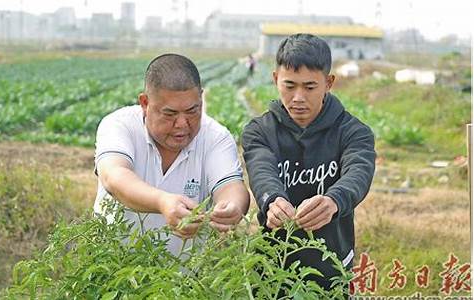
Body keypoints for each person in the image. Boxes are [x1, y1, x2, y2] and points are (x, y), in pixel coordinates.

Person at [241, 34, 376, 292]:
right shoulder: (260, 131)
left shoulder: (353, 132)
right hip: (272, 270)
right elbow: (261, 170)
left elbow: (358, 172)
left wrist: (333, 200)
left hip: (332, 269)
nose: (298, 97)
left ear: (329, 83)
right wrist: (272, 199)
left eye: (310, 87)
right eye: (289, 86)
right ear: (275, 80)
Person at [94, 53, 250, 254]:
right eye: (170, 114)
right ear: (145, 103)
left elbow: (230, 186)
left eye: (192, 111)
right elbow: (114, 177)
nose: (182, 124)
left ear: (201, 98)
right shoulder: (119, 125)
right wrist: (162, 202)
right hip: (115, 269)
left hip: (182, 281)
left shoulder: (215, 137)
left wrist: (232, 207)